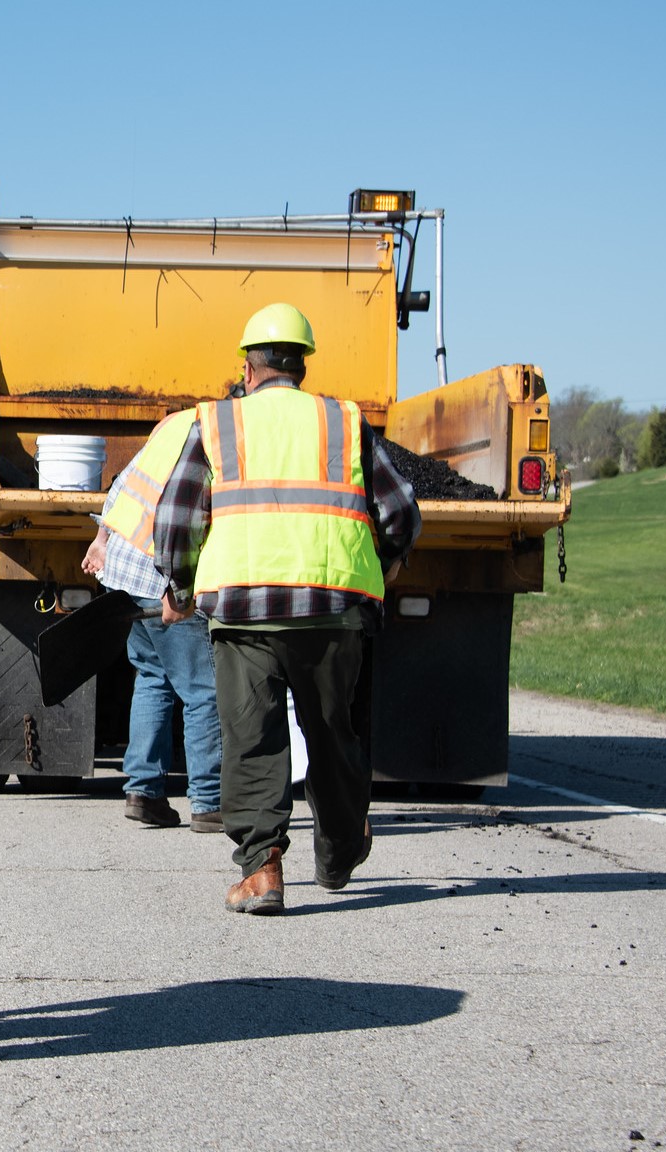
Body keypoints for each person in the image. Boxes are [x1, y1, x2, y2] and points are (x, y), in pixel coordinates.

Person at [154, 303, 419, 915]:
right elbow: (400, 509)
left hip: (244, 611)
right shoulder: (344, 422)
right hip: (333, 607)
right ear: (301, 365)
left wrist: (180, 587)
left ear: (249, 368)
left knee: (252, 738)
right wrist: (391, 559)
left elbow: (176, 517)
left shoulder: (218, 423)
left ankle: (263, 870)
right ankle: (340, 851)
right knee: (331, 734)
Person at [82, 418, 224, 830]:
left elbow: (125, 486)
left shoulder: (174, 425)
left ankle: (144, 792)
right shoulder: (220, 436)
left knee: (153, 676)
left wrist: (101, 540)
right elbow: (183, 517)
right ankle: (208, 801)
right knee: (203, 689)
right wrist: (178, 586)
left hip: (125, 568)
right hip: (160, 576)